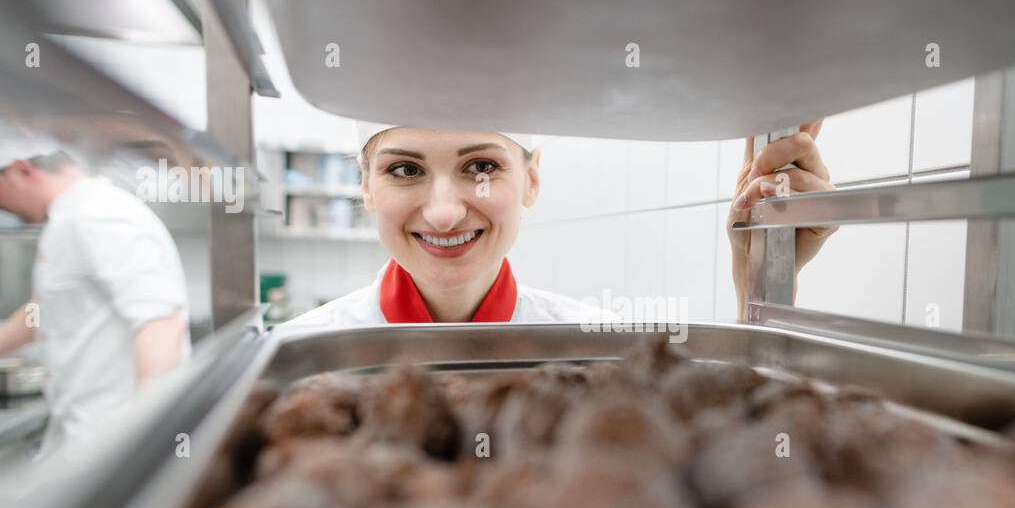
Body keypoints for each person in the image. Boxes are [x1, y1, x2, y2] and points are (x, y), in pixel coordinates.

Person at [281, 122, 838, 328]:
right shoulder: (300, 359)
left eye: (480, 167)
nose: (445, 211)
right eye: (405, 170)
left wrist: (758, 282)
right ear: (366, 188)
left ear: (531, 180)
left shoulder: (593, 347)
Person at [0, 151, 190, 456]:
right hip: (80, 432)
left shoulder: (96, 216)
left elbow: (161, 322)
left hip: (116, 437)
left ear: (22, 169)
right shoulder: (69, 219)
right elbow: (43, 311)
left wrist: (150, 433)